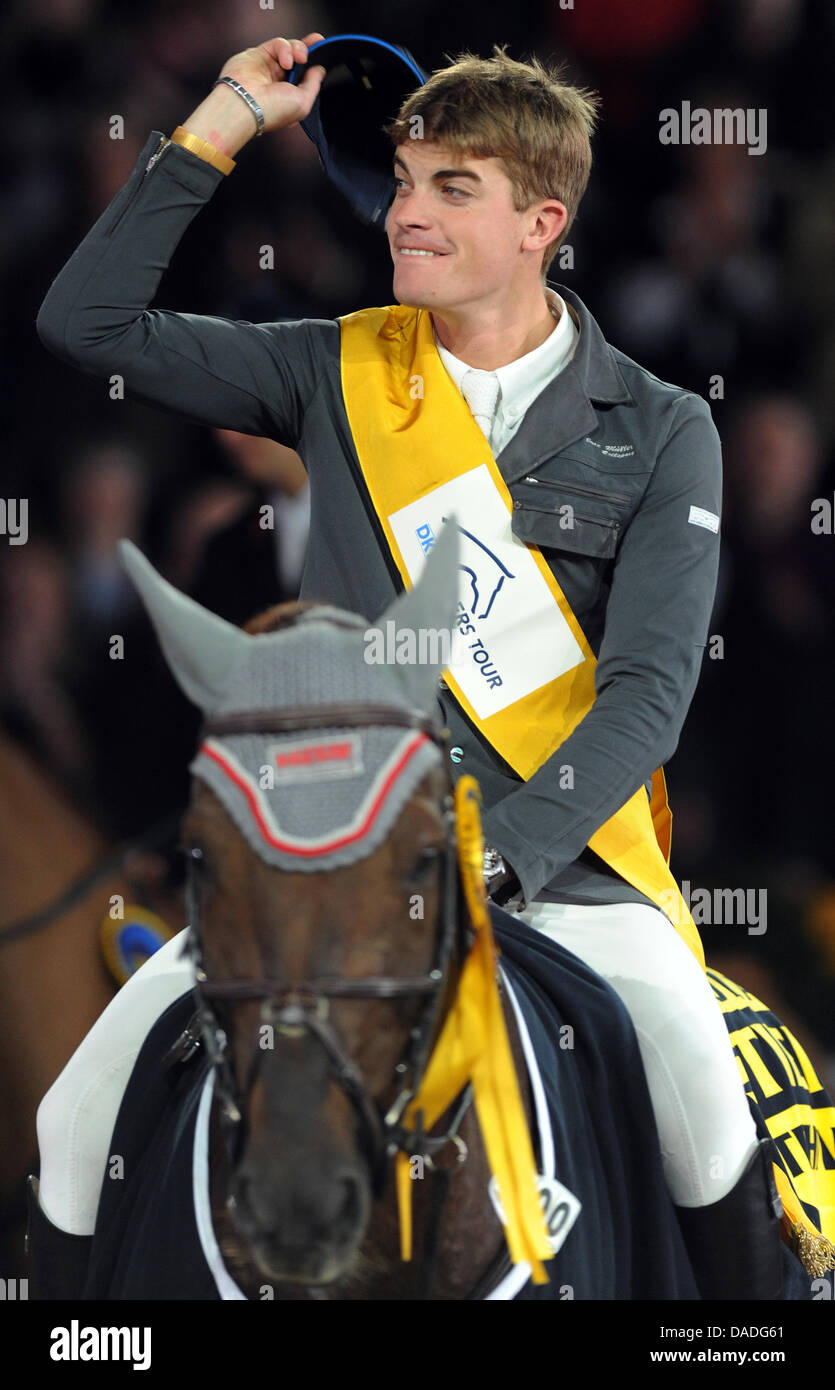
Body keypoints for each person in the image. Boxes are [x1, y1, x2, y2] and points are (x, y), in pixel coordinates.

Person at [34, 33, 783, 1298]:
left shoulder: (663, 426)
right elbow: (83, 321)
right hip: (325, 863)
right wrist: (224, 118)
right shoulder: (329, 364)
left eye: (450, 188)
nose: (405, 211)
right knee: (70, 1120)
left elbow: (647, 697)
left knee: (710, 1116)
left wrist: (497, 860)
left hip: (558, 867)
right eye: (402, 180)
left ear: (542, 220)